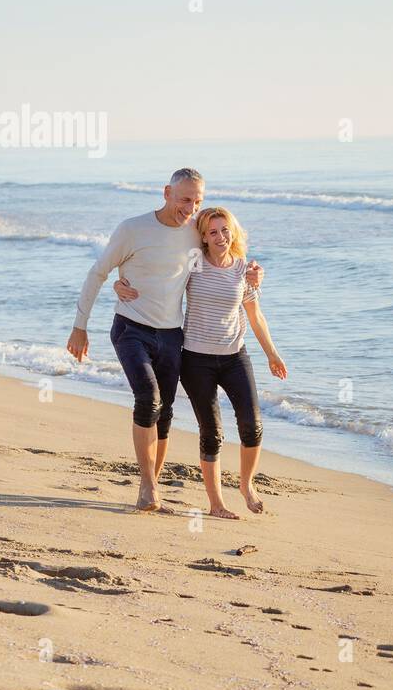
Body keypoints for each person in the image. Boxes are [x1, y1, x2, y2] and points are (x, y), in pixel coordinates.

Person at [65, 168, 263, 513]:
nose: (191, 207)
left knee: (165, 413)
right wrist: (80, 325)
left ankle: (152, 486)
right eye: (185, 199)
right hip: (132, 328)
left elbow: (223, 260)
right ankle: (147, 485)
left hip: (172, 336)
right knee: (148, 398)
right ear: (167, 192)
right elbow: (99, 271)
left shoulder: (194, 236)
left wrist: (251, 274)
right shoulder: (132, 228)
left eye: (198, 200)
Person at [116, 206, 286, 518]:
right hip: (196, 359)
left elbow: (255, 316)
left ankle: (247, 485)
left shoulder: (244, 270)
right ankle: (216, 505)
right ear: (203, 239)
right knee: (211, 432)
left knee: (252, 424)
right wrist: (119, 282)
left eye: (225, 230)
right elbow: (159, 279)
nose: (220, 237)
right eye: (212, 232)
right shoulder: (193, 263)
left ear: (232, 231)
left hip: (235, 357)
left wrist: (272, 354)